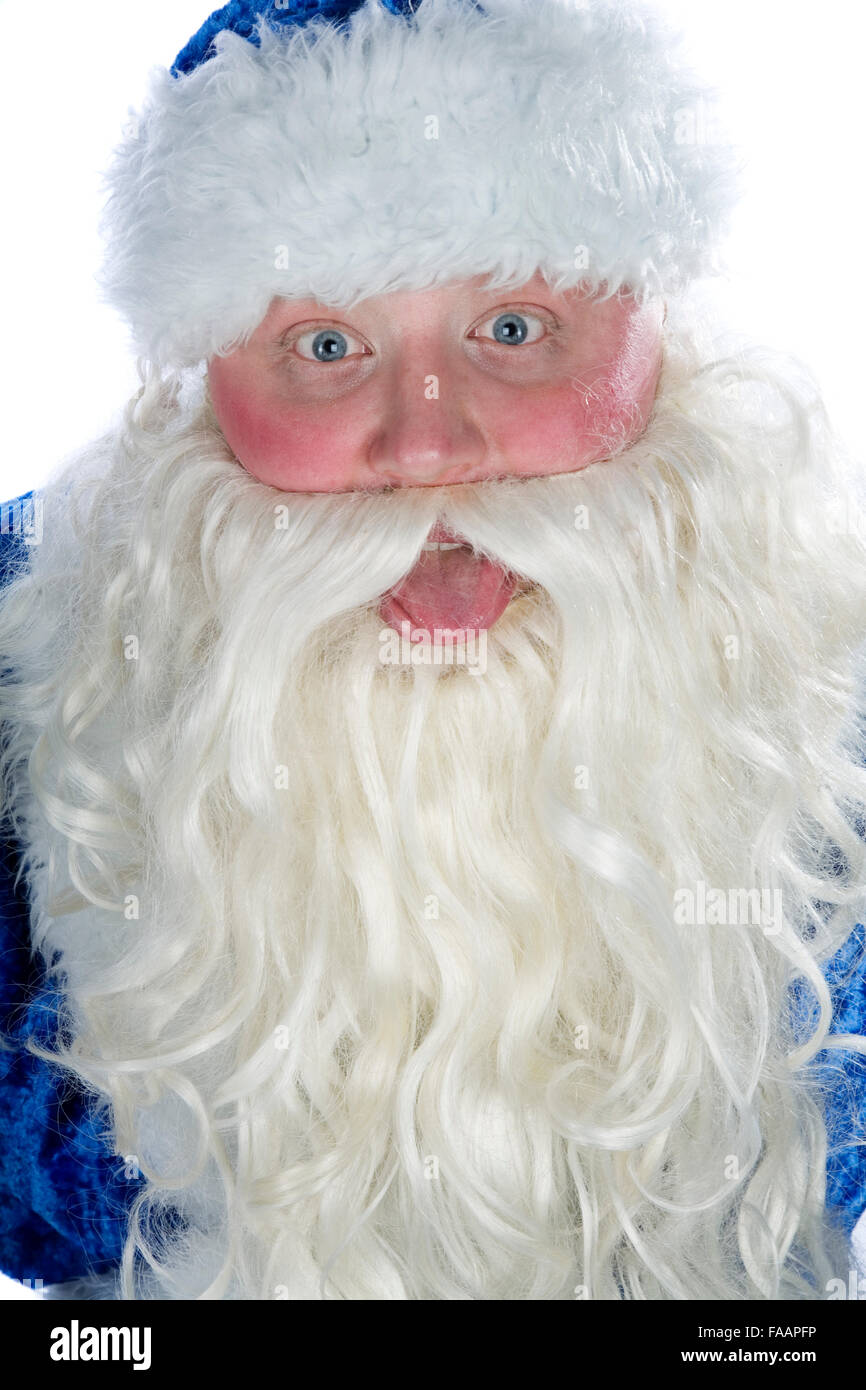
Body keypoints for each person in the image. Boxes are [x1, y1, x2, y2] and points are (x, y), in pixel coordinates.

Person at [0, 0, 864, 1302]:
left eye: (511, 330)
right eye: (326, 346)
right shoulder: (39, 648)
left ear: (652, 329)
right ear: (199, 375)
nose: (421, 450)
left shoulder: (822, 657)